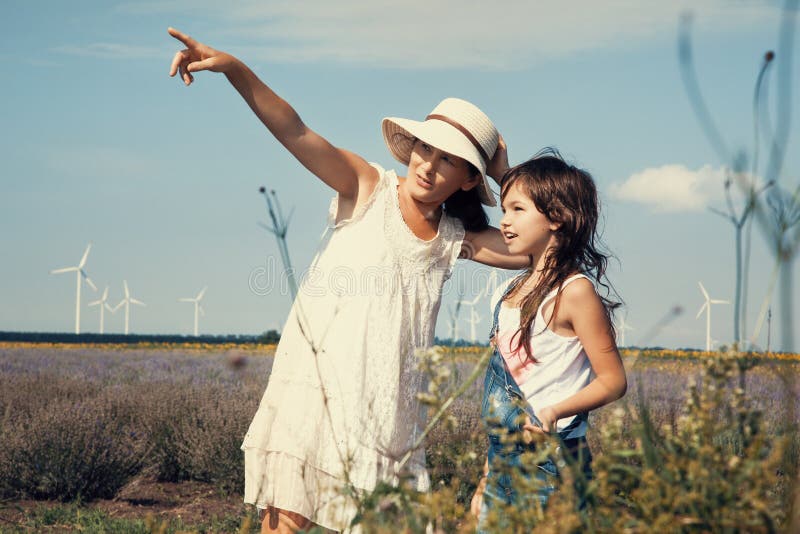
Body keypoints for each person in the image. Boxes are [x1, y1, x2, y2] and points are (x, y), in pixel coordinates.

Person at [167, 28, 529, 533]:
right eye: (426, 149)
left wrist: (505, 174)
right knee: (285, 524)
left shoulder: (454, 235)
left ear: (469, 179)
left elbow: (527, 245)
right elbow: (296, 131)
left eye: (449, 160)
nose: (429, 165)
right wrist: (235, 70)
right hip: (317, 391)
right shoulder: (367, 187)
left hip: (388, 409)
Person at [470, 149, 627, 531]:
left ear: (555, 218)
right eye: (504, 210)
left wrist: (554, 412)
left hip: (550, 462)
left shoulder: (574, 292)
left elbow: (613, 380)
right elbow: (507, 392)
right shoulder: (511, 290)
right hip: (503, 457)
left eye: (516, 210)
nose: (504, 222)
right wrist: (487, 475)